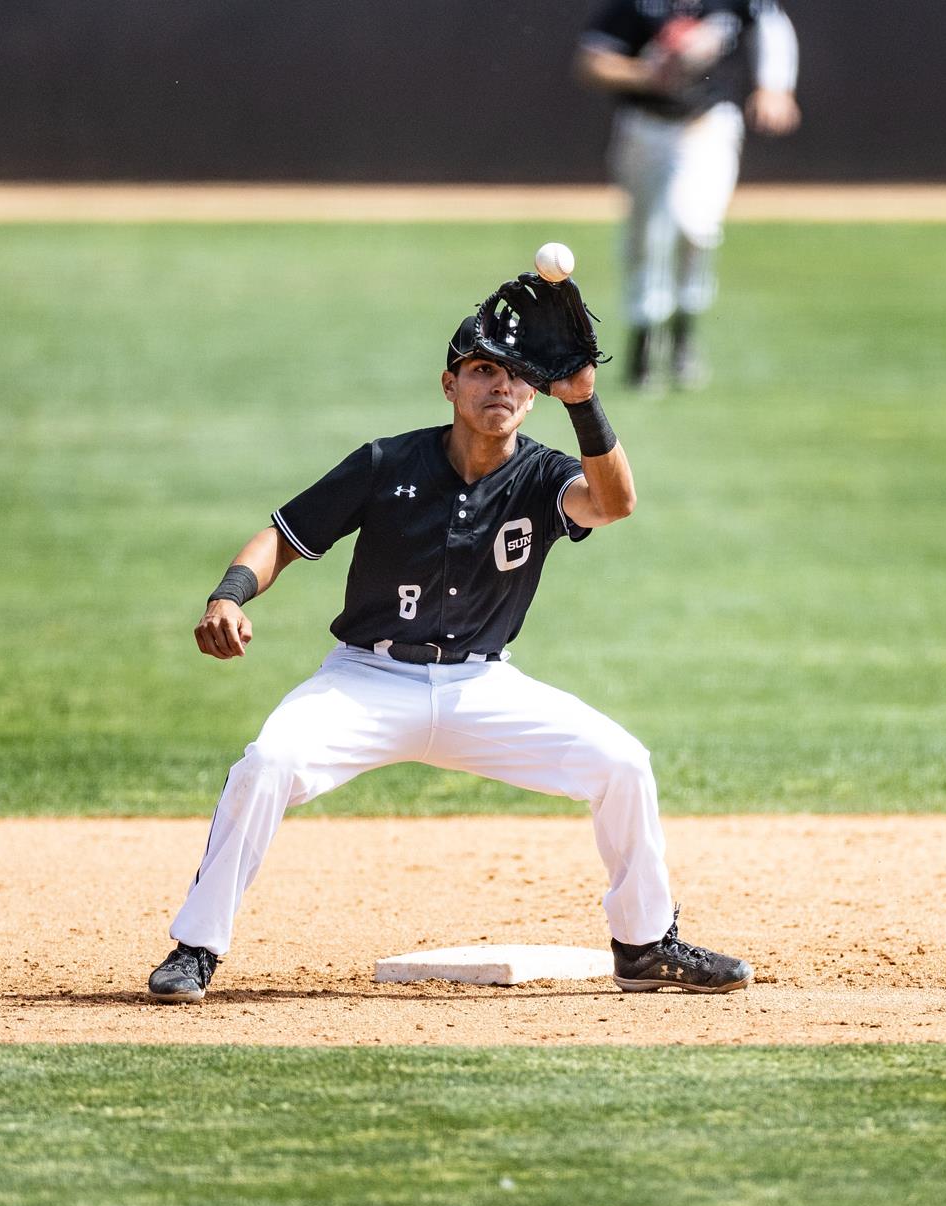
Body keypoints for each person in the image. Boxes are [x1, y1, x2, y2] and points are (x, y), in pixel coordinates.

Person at [143, 302, 753, 1003]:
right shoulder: (386, 462)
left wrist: (584, 402)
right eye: (483, 370)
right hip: (366, 680)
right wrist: (228, 596)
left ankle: (644, 944)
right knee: (268, 762)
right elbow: (285, 533)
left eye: (518, 375)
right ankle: (197, 946)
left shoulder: (544, 475)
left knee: (622, 763)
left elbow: (614, 502)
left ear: (535, 393)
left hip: (481, 688)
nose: (501, 386)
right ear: (450, 384)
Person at [575, 0, 800, 390]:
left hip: (707, 127)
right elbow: (592, 61)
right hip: (645, 130)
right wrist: (647, 74)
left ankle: (683, 334)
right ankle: (643, 338)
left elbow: (772, 24)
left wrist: (775, 85)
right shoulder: (639, 5)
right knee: (645, 237)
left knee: (693, 224)